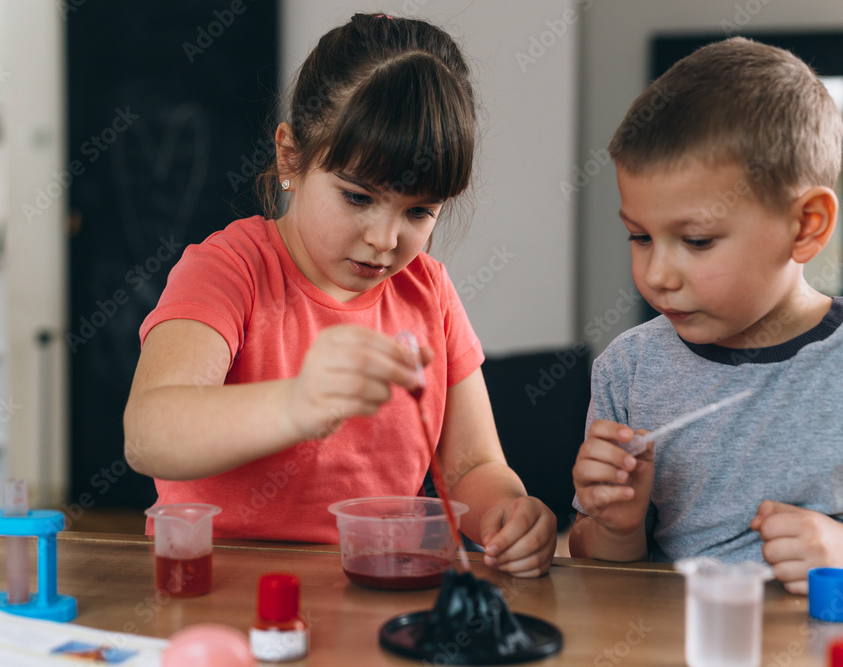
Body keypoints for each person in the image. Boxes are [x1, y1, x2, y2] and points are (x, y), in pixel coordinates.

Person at [124, 13, 557, 577]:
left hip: (375, 593)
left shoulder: (430, 293)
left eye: (419, 211)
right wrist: (299, 403)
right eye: (358, 198)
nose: (384, 239)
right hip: (220, 591)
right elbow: (150, 434)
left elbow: (472, 465)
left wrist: (508, 513)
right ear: (291, 158)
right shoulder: (229, 271)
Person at [570, 37, 843, 594]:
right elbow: (595, 561)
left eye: (696, 240)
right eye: (640, 237)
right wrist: (617, 527)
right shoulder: (630, 368)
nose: (658, 275)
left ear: (806, 226)